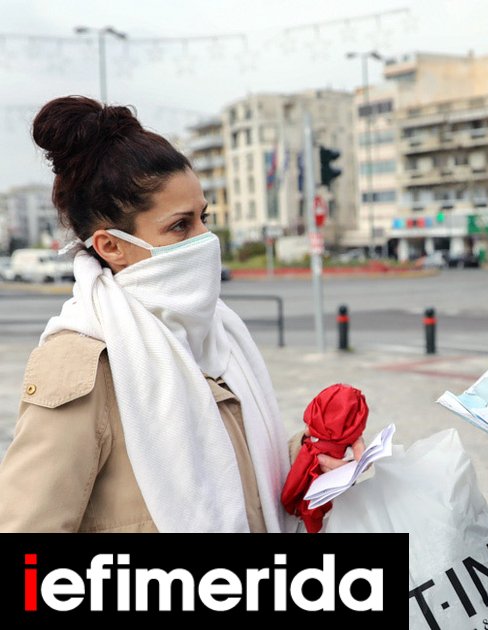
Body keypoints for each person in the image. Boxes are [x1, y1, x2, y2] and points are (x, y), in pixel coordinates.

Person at [0, 96, 355, 532]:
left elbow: (227, 482)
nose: (206, 239)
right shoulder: (84, 360)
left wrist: (309, 453)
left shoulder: (217, 332)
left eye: (203, 218)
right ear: (111, 246)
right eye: (180, 225)